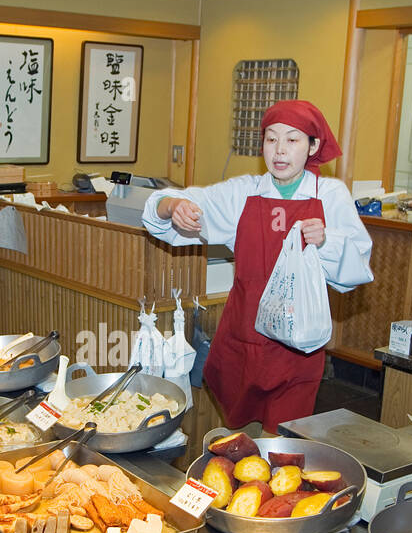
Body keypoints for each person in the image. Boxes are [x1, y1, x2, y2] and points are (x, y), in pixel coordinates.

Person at [141, 100, 373, 432]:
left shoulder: (331, 195)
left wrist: (326, 241)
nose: (280, 151)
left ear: (313, 146)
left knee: (281, 452)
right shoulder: (245, 192)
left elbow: (356, 271)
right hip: (243, 342)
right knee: (239, 446)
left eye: (292, 140)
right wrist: (172, 205)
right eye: (271, 139)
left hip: (298, 351)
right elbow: (169, 207)